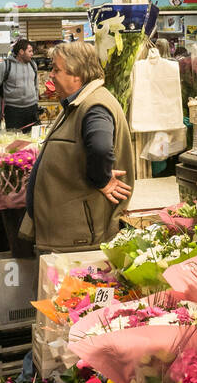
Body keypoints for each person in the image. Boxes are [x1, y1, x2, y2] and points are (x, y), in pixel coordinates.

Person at [20, 41, 133, 251]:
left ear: (77, 75)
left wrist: (102, 180)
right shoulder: (78, 103)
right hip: (65, 234)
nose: (51, 75)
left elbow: (100, 148)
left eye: (56, 69)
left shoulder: (94, 106)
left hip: (78, 237)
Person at [0, 39, 41, 132]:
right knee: (14, 140)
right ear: (21, 52)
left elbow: (35, 85)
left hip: (32, 109)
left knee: (33, 140)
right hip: (13, 111)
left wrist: (36, 102)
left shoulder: (33, 64)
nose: (32, 54)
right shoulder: (5, 65)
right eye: (30, 51)